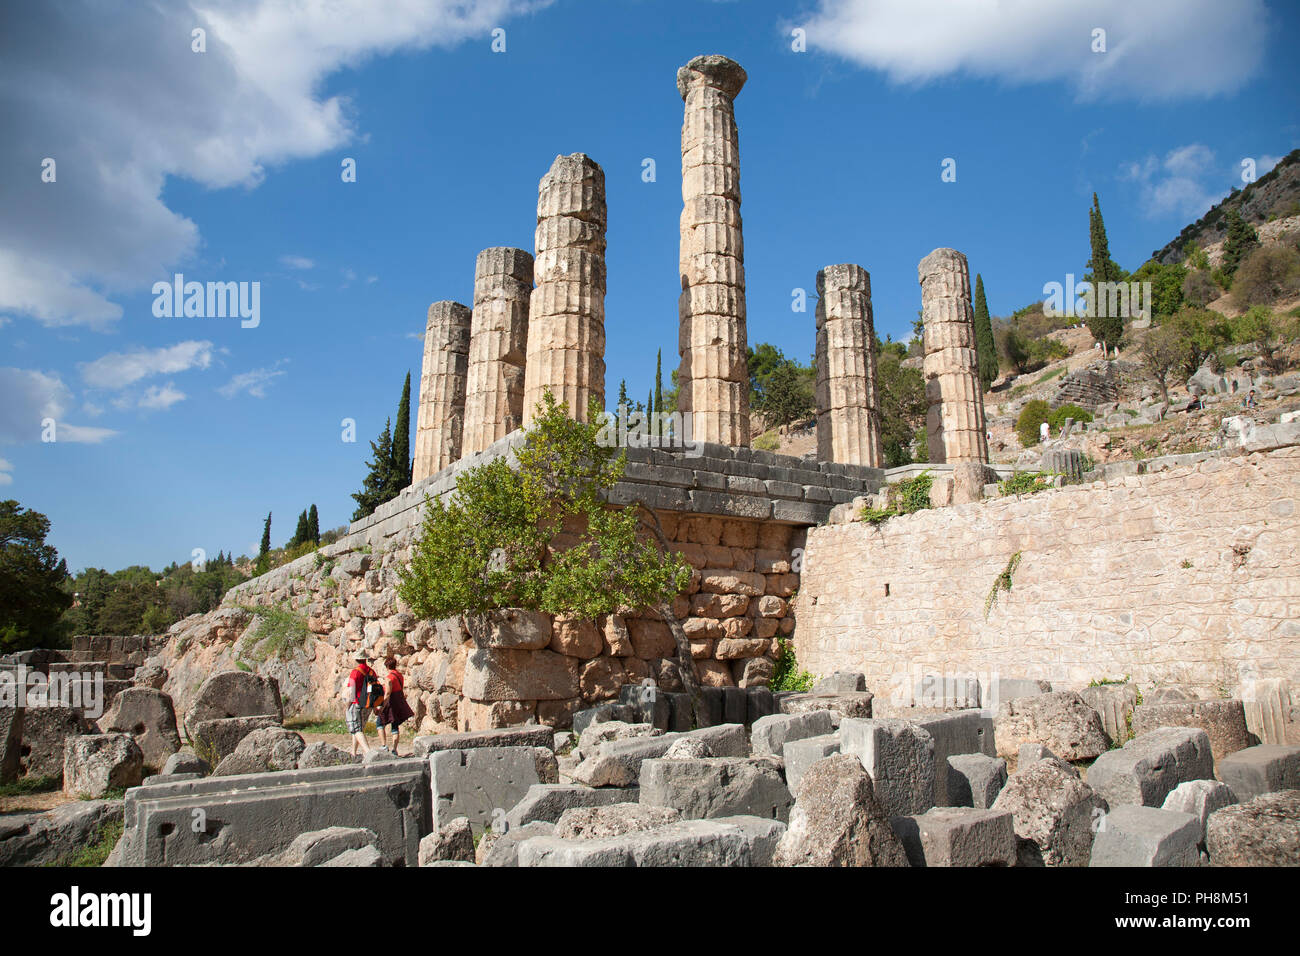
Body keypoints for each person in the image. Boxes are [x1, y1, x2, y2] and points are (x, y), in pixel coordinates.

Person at [375, 656, 415, 755]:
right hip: (399, 701)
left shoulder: (389, 678)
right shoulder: (399, 675)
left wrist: (382, 707)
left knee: (379, 723)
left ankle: (384, 745)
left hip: (391, 702)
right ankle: (394, 749)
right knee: (395, 726)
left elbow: (388, 693)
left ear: (387, 666)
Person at [344, 652, 379, 756]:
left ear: (356, 660)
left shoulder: (355, 672)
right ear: (365, 659)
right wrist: (375, 706)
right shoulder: (372, 672)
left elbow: (351, 690)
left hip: (357, 703)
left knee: (356, 729)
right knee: (359, 728)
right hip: (368, 703)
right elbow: (375, 689)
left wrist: (347, 705)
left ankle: (368, 752)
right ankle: (353, 753)